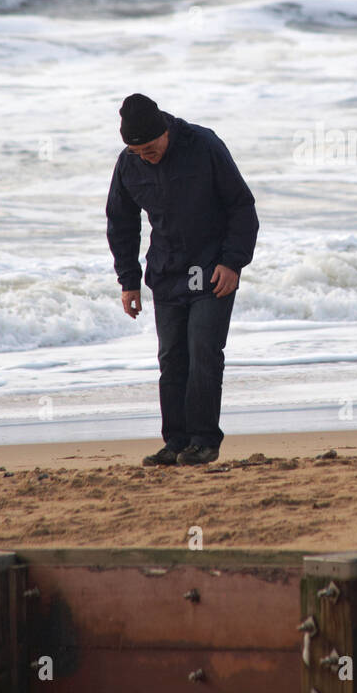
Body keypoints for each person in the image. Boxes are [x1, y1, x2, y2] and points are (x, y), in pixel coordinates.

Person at [106, 93, 258, 466]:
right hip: (167, 272)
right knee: (171, 359)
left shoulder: (204, 145)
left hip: (211, 270)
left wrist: (232, 263)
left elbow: (242, 206)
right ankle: (176, 443)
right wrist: (129, 280)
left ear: (165, 132)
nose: (144, 155)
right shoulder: (129, 164)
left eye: (149, 147)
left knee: (204, 353)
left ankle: (204, 441)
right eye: (136, 149)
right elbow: (121, 224)